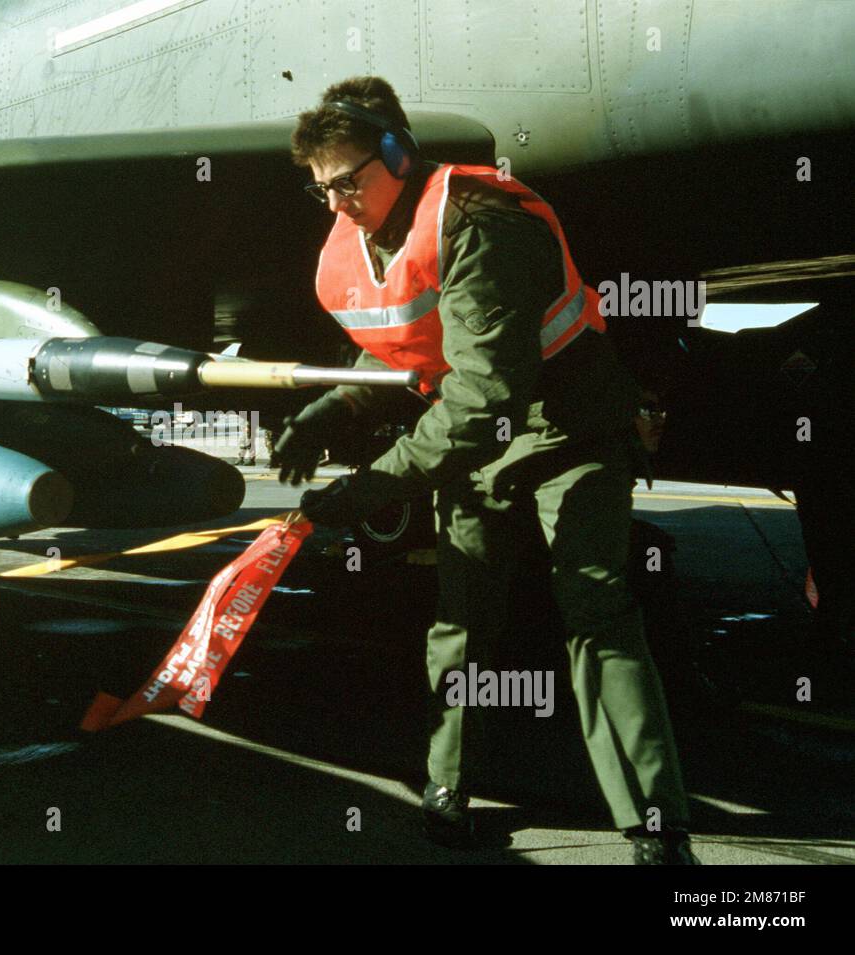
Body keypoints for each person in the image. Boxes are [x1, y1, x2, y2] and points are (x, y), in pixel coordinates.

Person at [272, 76, 697, 864]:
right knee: (461, 616)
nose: (335, 204)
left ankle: (656, 824)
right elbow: (410, 329)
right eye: (320, 189)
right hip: (478, 435)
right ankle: (446, 784)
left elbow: (484, 397)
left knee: (595, 610)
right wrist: (341, 403)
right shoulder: (368, 230)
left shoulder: (479, 220)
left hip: (568, 427)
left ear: (397, 154)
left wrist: (373, 486)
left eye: (347, 182)